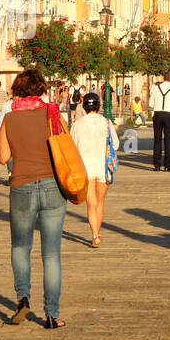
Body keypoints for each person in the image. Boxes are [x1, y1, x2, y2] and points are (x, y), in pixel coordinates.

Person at [0, 68, 68, 329]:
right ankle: (51, 314)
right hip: (51, 185)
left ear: (17, 90)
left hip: (22, 186)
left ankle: (23, 298)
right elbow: (65, 146)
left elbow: (3, 157)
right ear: (41, 89)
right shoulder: (52, 115)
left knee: (20, 247)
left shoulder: (9, 119)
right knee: (51, 255)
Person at [70, 91, 118, 248]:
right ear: (99, 106)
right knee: (100, 202)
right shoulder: (106, 122)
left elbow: (72, 148)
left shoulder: (77, 124)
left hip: (85, 167)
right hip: (103, 166)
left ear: (84, 107)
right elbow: (116, 145)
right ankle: (98, 231)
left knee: (91, 203)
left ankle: (95, 235)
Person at [150, 73, 170, 171]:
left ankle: (157, 165)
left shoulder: (155, 88)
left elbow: (151, 103)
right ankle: (167, 165)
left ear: (163, 78)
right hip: (168, 115)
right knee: (168, 140)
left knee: (157, 140)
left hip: (158, 114)